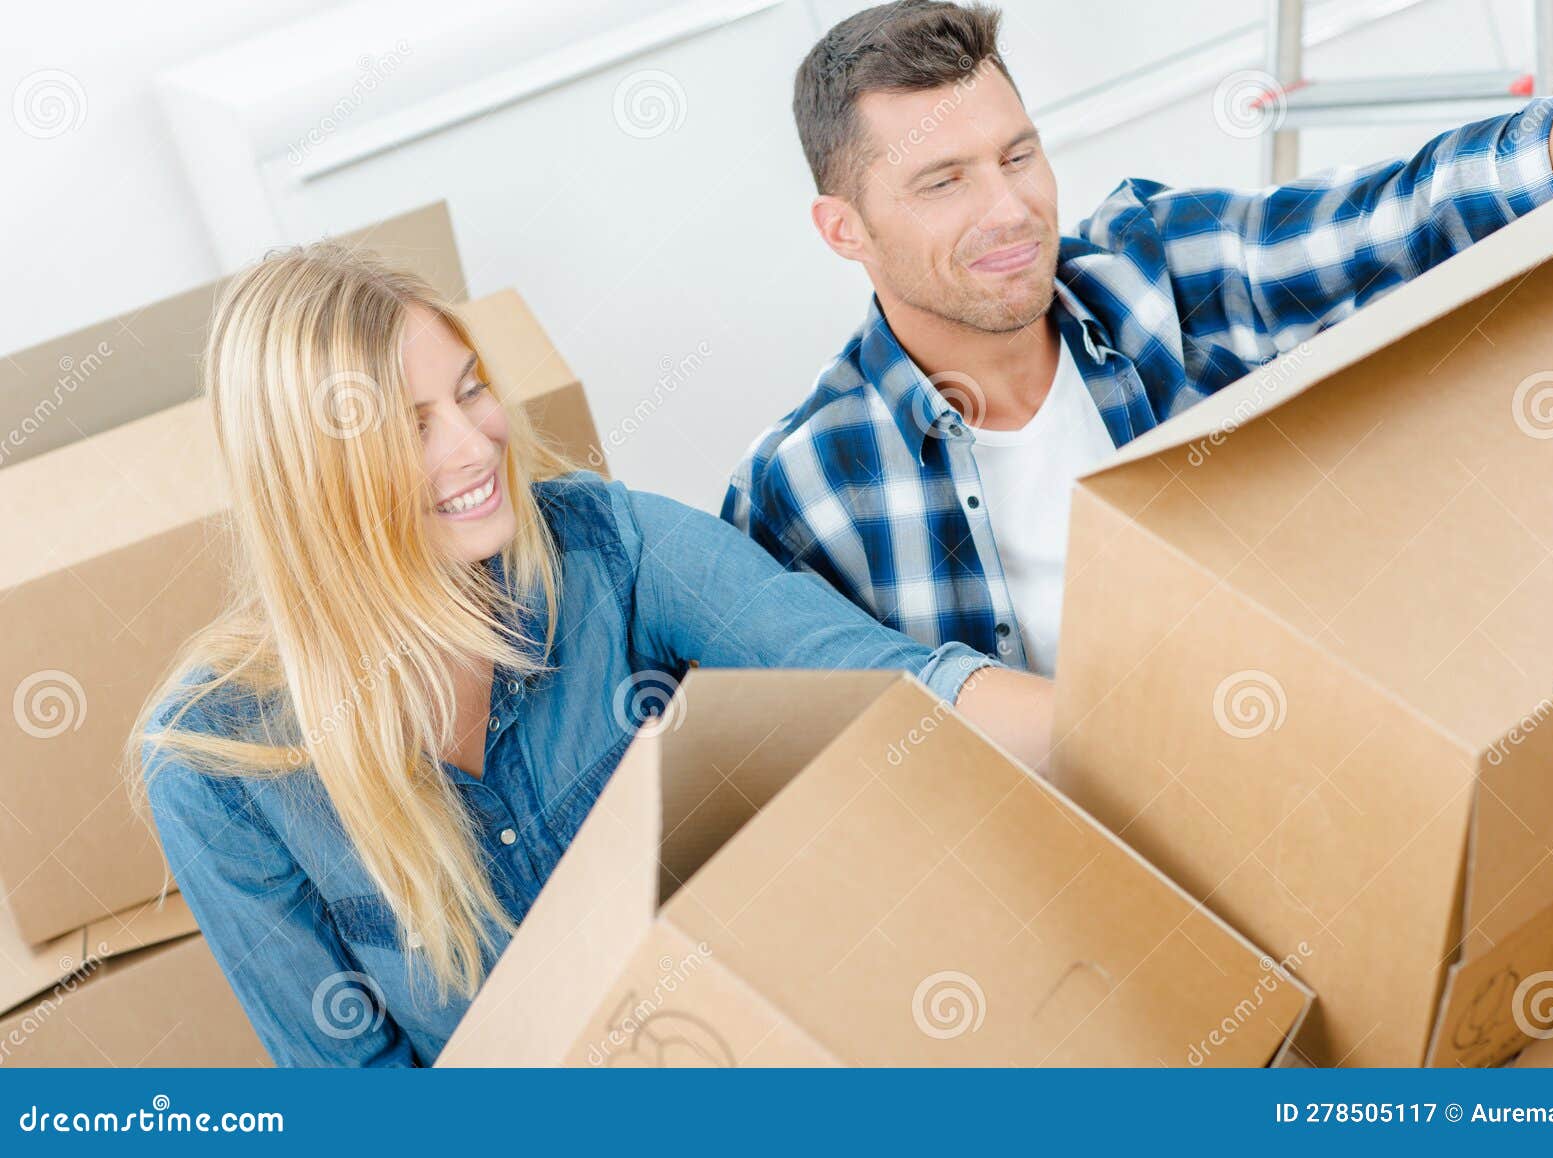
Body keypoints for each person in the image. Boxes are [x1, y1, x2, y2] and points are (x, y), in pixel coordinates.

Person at [129, 243, 1051, 1067]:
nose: (474, 443)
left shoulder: (604, 547)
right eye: (410, 427)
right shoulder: (221, 764)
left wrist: (1131, 725)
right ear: (310, 478)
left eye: (470, 389)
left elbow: (892, 686)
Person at [723, 0, 1553, 676]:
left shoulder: (1160, 276)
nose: (1010, 211)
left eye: (1018, 157)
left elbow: (1400, 217)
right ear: (843, 229)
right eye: (945, 181)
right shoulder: (800, 489)